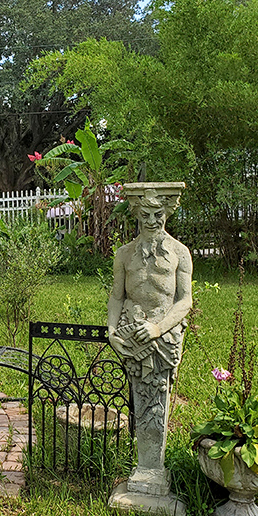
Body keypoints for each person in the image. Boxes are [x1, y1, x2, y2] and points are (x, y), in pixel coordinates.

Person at [107, 183, 192, 497]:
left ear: (167, 212)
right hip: (132, 336)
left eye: (158, 214)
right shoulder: (124, 255)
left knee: (158, 399)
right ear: (136, 214)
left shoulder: (180, 253)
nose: (152, 220)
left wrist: (158, 328)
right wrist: (111, 331)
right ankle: (146, 468)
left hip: (163, 338)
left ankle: (153, 469)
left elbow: (184, 301)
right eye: (145, 214)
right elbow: (117, 297)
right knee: (141, 399)